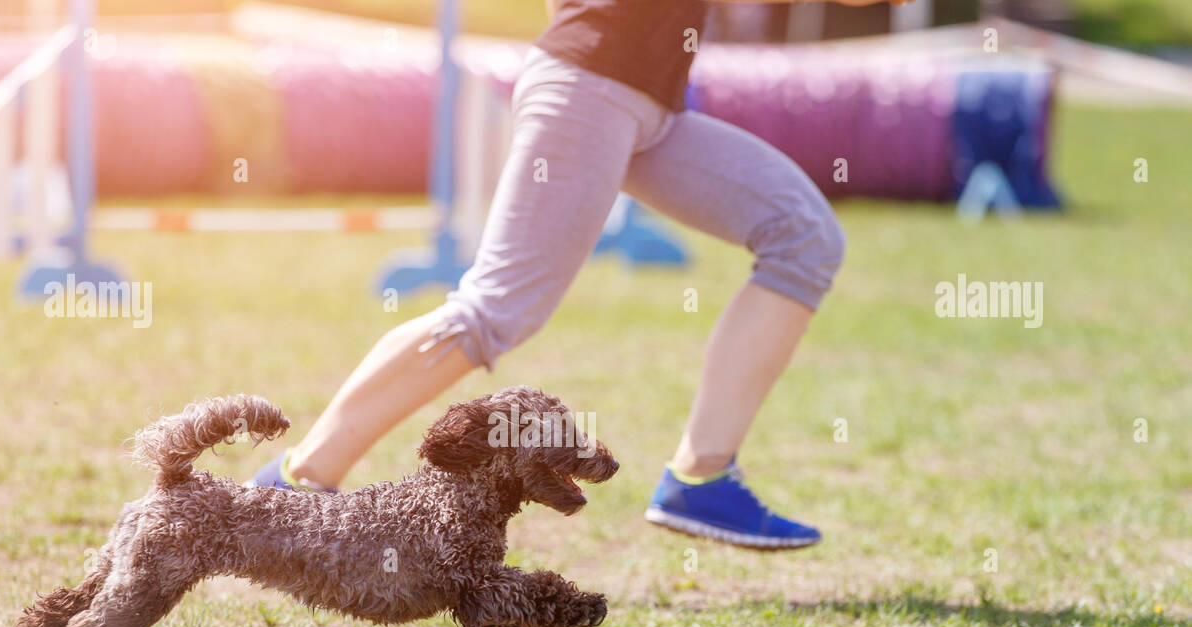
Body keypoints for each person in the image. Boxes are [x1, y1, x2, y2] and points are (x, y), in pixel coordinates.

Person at [253, 0, 901, 549]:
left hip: (650, 109)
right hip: (588, 88)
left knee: (805, 236)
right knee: (495, 310)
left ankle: (700, 479)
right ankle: (297, 481)